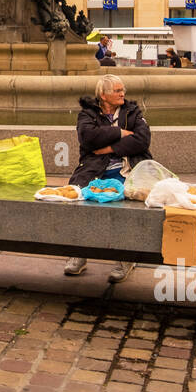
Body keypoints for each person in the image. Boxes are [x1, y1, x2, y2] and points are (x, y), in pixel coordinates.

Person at [65, 74, 151, 283]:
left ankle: (126, 257)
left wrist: (109, 147)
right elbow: (87, 137)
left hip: (128, 168)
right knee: (79, 197)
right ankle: (79, 253)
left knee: (124, 205)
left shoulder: (132, 112)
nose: (123, 94)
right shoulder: (87, 114)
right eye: (117, 91)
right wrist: (120, 132)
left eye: (123, 90)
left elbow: (142, 139)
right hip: (94, 169)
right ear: (103, 95)